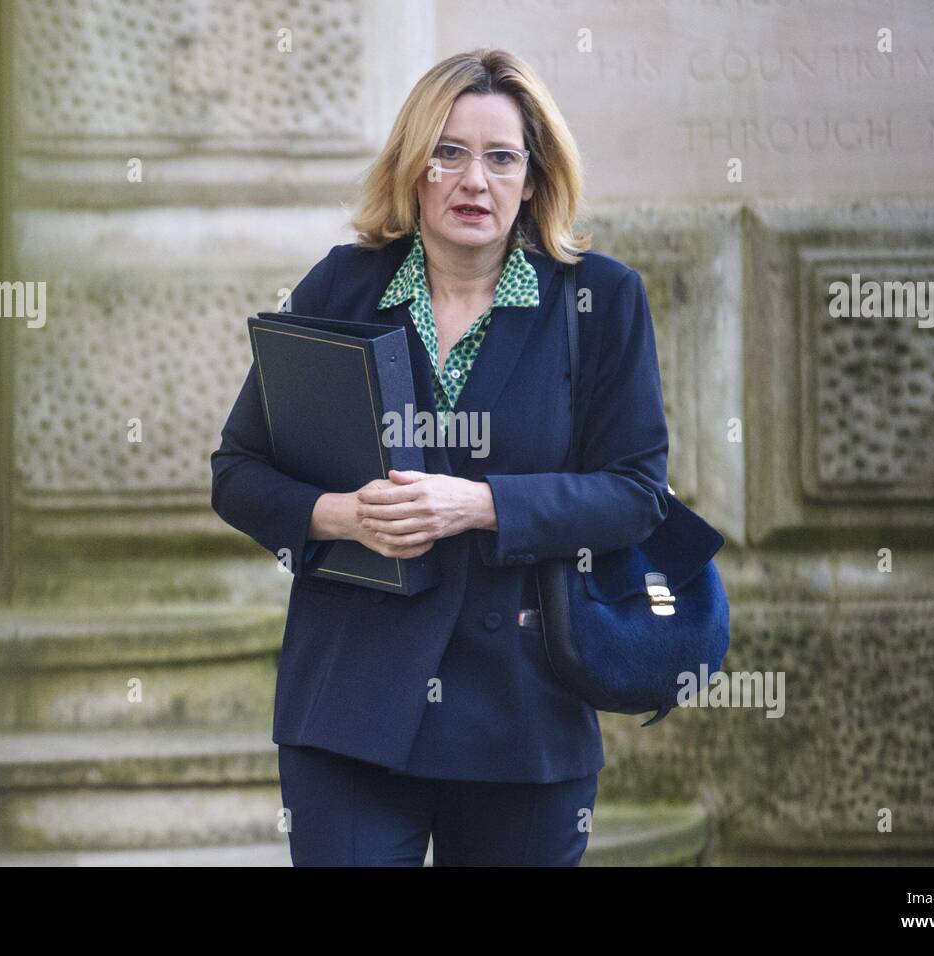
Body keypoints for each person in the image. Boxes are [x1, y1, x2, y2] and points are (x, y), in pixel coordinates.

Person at [210, 47, 670, 866]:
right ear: (414, 169)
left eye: (500, 158)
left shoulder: (597, 300)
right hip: (350, 710)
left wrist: (481, 505)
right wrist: (342, 516)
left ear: (532, 179)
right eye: (448, 153)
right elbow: (238, 471)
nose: (473, 181)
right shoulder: (342, 288)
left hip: (524, 717)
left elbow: (636, 494)